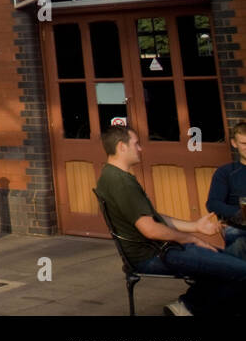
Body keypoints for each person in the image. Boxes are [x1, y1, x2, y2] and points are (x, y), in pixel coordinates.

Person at [95, 124, 246, 316]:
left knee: (226, 262)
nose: (140, 148)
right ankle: (191, 307)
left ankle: (186, 307)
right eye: (136, 144)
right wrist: (191, 238)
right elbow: (150, 229)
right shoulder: (121, 182)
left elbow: (155, 218)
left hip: (160, 249)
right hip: (153, 255)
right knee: (240, 270)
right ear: (121, 147)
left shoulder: (111, 176)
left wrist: (195, 226)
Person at [206, 120, 246, 259]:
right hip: (239, 228)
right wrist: (238, 213)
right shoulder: (225, 172)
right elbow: (213, 203)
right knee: (239, 243)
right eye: (244, 144)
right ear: (234, 143)